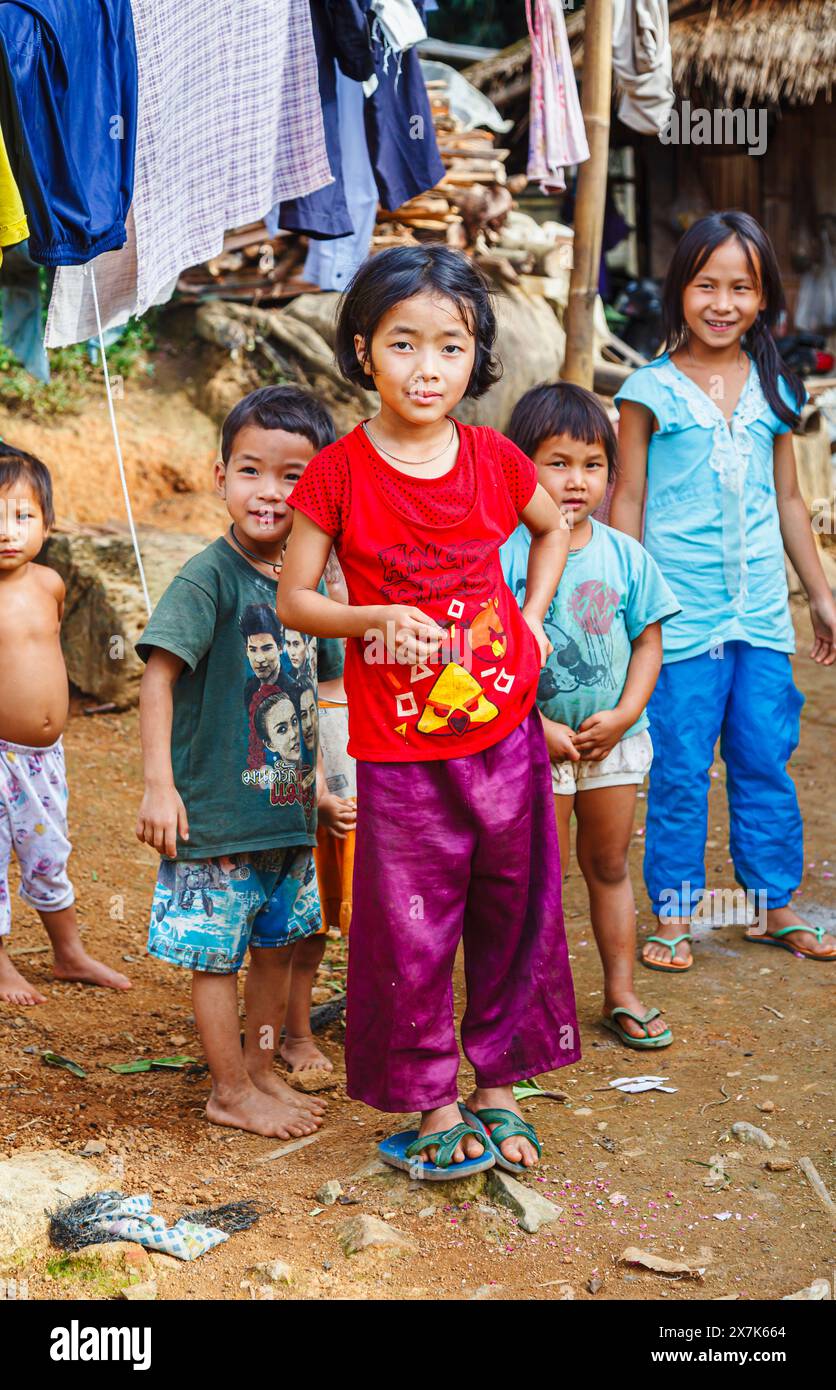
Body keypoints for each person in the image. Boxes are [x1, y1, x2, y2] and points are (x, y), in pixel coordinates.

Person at [278, 244, 580, 1179]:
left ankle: (498, 1083)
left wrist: (529, 620)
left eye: (450, 347)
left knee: (514, 906)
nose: (428, 368)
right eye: (404, 344)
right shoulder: (337, 473)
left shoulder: (492, 457)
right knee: (409, 922)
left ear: (475, 355)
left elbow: (555, 524)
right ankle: (431, 1097)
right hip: (400, 752)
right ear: (365, 349)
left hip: (506, 733)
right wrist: (370, 619)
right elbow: (296, 600)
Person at [611, 211, 836, 969]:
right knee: (679, 764)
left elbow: (791, 502)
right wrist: (627, 603)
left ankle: (772, 905)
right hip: (679, 619)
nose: (722, 302)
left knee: (765, 757)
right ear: (680, 291)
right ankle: (674, 913)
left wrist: (822, 593)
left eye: (741, 287)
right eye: (706, 284)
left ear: (763, 296)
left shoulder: (775, 387)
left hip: (763, 618)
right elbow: (628, 500)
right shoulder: (648, 390)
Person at [135, 386, 347, 1137]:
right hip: (220, 813)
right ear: (219, 474)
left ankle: (259, 1069)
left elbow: (320, 689)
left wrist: (320, 788)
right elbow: (158, 676)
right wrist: (160, 787)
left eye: (293, 476)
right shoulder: (208, 577)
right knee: (219, 959)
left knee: (275, 950)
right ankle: (228, 1088)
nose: (269, 492)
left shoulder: (307, 583)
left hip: (284, 812)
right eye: (251, 469)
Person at [501, 384, 680, 1049]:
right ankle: (531, 1002)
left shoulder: (626, 556)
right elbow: (486, 654)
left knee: (608, 866)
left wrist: (627, 712)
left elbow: (647, 642)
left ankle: (622, 991)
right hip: (529, 745)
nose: (576, 481)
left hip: (613, 745)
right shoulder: (502, 555)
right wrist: (530, 725)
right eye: (557, 462)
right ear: (520, 467)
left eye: (592, 464)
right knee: (535, 878)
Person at [0, 447, 131, 1006]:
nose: (7, 531)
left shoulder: (51, 584)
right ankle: (2, 965)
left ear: (47, 523)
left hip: (44, 758)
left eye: (22, 515)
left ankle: (68, 952)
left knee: (50, 852)